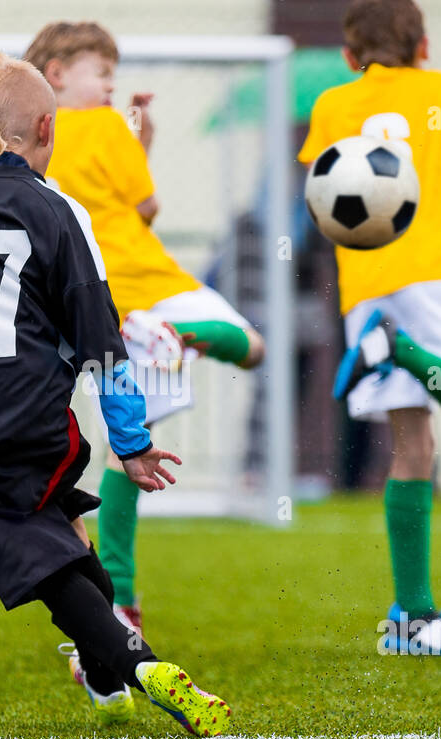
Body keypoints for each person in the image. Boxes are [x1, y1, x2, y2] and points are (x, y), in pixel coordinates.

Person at [0, 51, 230, 736]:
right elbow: (99, 341)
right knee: (72, 576)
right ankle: (126, 678)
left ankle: (126, 673)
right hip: (27, 421)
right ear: (49, 129)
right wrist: (133, 443)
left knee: (63, 577)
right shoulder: (59, 211)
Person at [24, 22, 266, 637]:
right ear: (57, 73)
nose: (111, 85)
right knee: (254, 346)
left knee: (127, 443)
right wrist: (141, 143)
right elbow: (146, 209)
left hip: (89, 306)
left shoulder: (32, 142)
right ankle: (187, 338)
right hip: (151, 284)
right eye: (102, 73)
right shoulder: (108, 125)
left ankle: (121, 601)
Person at [299, 0, 441, 655]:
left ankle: (413, 620)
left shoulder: (332, 103)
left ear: (349, 55)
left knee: (411, 447)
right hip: (435, 268)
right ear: (423, 45)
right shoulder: (437, 86)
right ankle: (403, 352)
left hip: (368, 286)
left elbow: (323, 194)